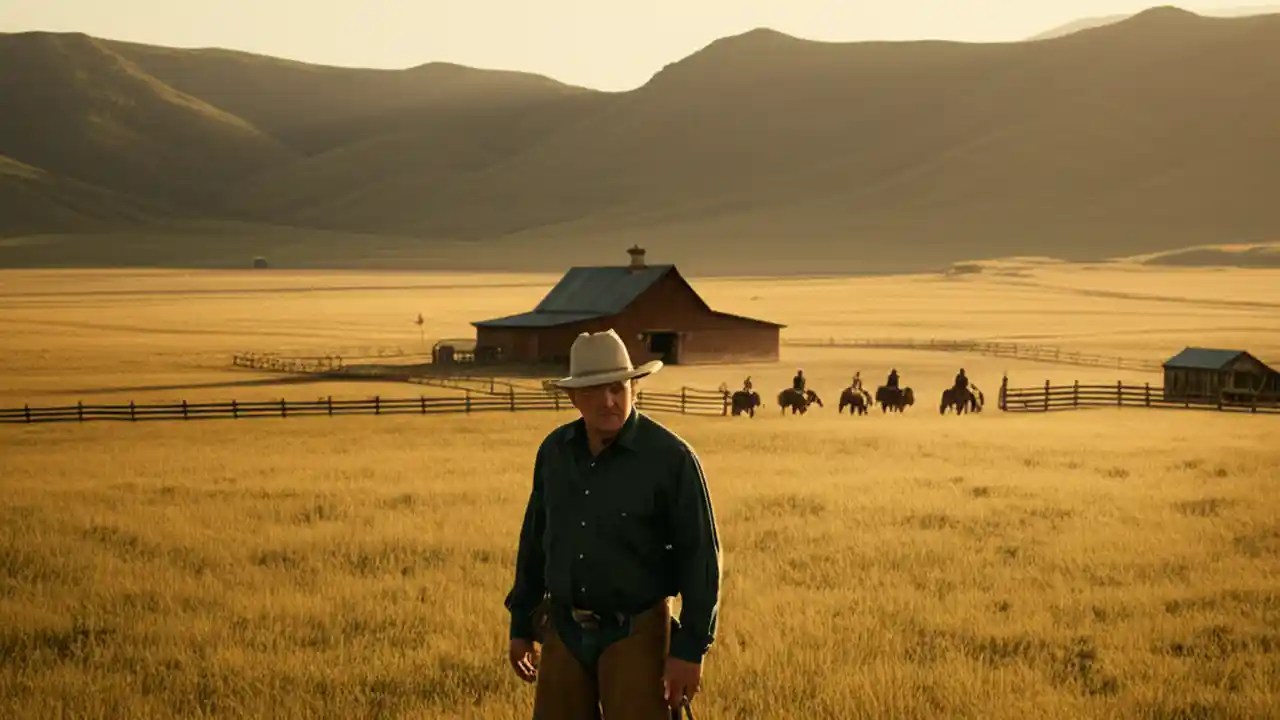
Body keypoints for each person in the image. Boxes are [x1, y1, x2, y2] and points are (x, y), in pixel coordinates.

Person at [505, 329, 722, 719]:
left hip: (638, 631)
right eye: (595, 390)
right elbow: (536, 540)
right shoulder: (555, 453)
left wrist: (689, 651)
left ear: (634, 389)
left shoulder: (671, 459)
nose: (609, 401)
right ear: (573, 397)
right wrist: (521, 622)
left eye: (618, 388)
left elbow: (701, 559)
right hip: (565, 629)